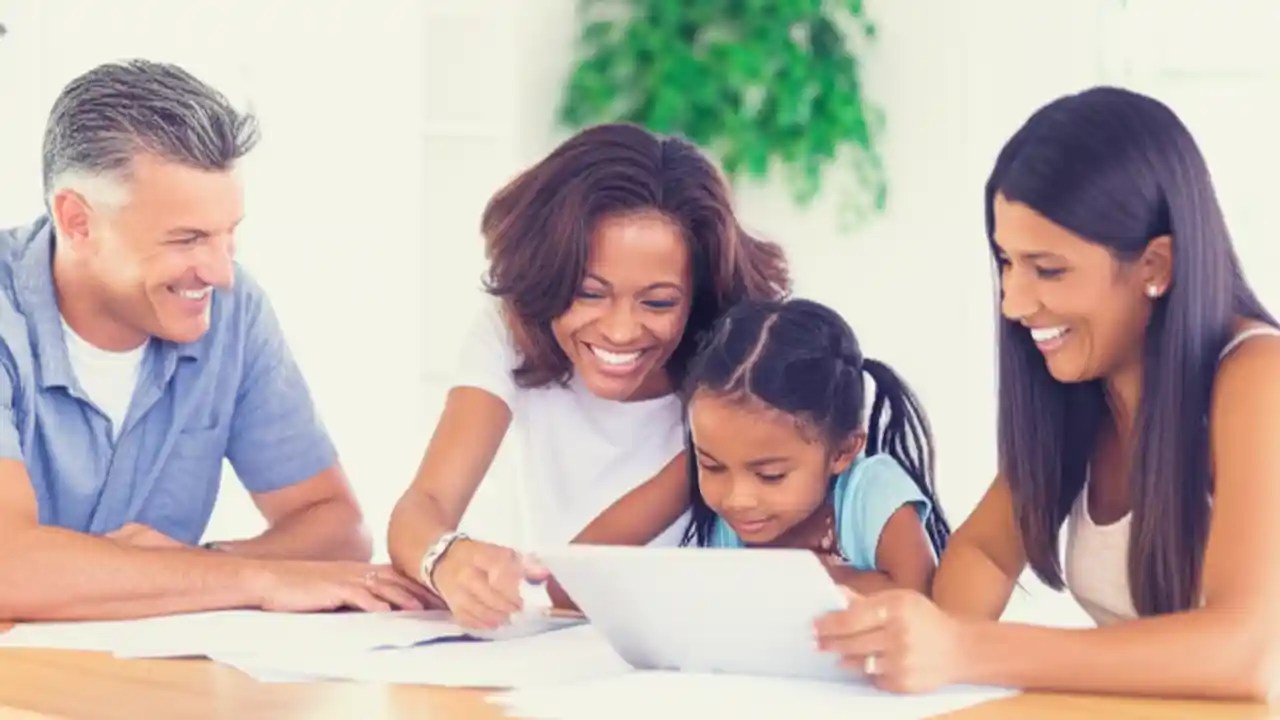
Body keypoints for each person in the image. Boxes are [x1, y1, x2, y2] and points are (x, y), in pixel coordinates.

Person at [813, 87, 1280, 701]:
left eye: (1048, 269)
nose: (1014, 301)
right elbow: (983, 550)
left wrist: (963, 649)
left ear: (1155, 266)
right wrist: (919, 636)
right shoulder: (1086, 384)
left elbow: (1246, 653)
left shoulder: (1258, 377)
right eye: (1006, 262)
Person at [0, 60, 434, 621]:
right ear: (77, 221)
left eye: (230, 235)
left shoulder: (231, 308)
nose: (220, 272)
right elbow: (8, 565)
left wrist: (189, 569)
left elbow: (335, 528)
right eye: (188, 239)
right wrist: (251, 578)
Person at [388, 123, 791, 630]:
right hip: (569, 640)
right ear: (546, 278)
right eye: (589, 293)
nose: (620, 331)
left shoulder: (742, 358)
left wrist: (528, 583)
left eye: (659, 302)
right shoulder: (511, 329)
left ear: (699, 294)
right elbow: (422, 507)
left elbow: (574, 575)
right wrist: (445, 558)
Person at [682, 298, 949, 594]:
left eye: (771, 475)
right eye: (712, 466)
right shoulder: (730, 525)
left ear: (842, 452)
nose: (737, 499)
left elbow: (922, 599)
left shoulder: (870, 494)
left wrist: (812, 579)